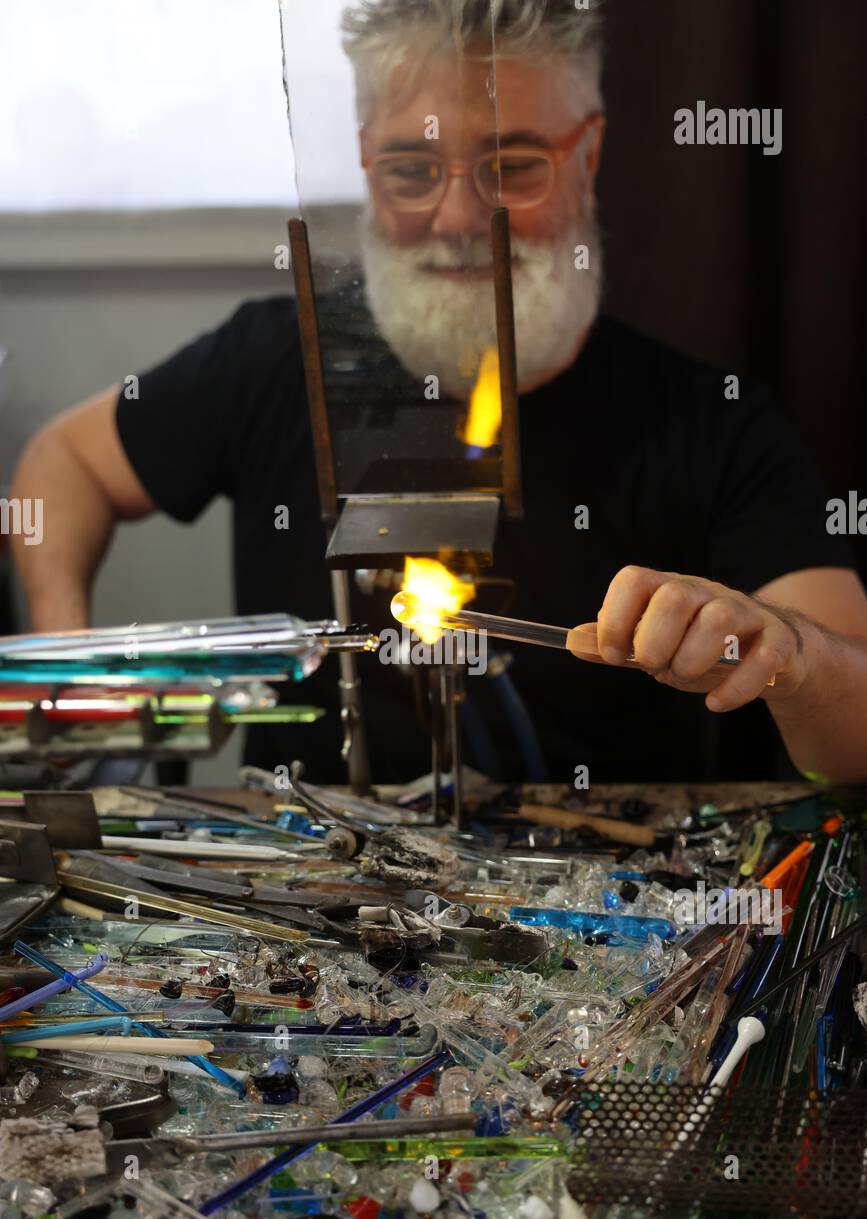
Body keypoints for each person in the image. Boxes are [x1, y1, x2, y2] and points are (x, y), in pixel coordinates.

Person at [10, 0, 867, 787]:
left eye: (513, 165)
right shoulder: (275, 357)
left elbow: (853, 723)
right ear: (363, 163)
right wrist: (69, 669)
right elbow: (66, 463)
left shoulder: (708, 419)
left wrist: (784, 652)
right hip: (306, 898)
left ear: (590, 153)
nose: (459, 218)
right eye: (411, 170)